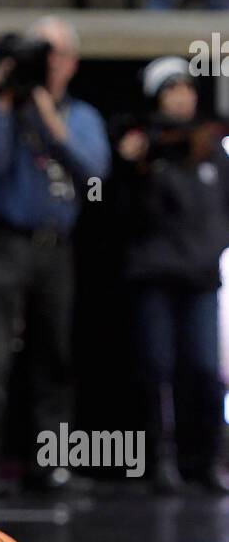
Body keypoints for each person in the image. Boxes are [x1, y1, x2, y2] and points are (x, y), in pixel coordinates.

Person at [0, 18, 111, 496]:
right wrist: (9, 99)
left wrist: (48, 115)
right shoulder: (1, 104)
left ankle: (50, 466)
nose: (48, 61)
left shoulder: (82, 115)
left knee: (55, 358)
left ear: (70, 63)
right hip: (0, 241)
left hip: (54, 248)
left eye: (55, 52)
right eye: (40, 52)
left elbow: (93, 172)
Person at [113, 57, 229, 492]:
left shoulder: (211, 147)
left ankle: (207, 460)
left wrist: (214, 248)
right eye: (171, 89)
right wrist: (129, 165)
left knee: (203, 367)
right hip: (155, 275)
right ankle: (161, 462)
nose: (182, 96)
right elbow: (121, 213)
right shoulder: (143, 148)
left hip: (200, 276)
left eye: (187, 88)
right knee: (155, 368)